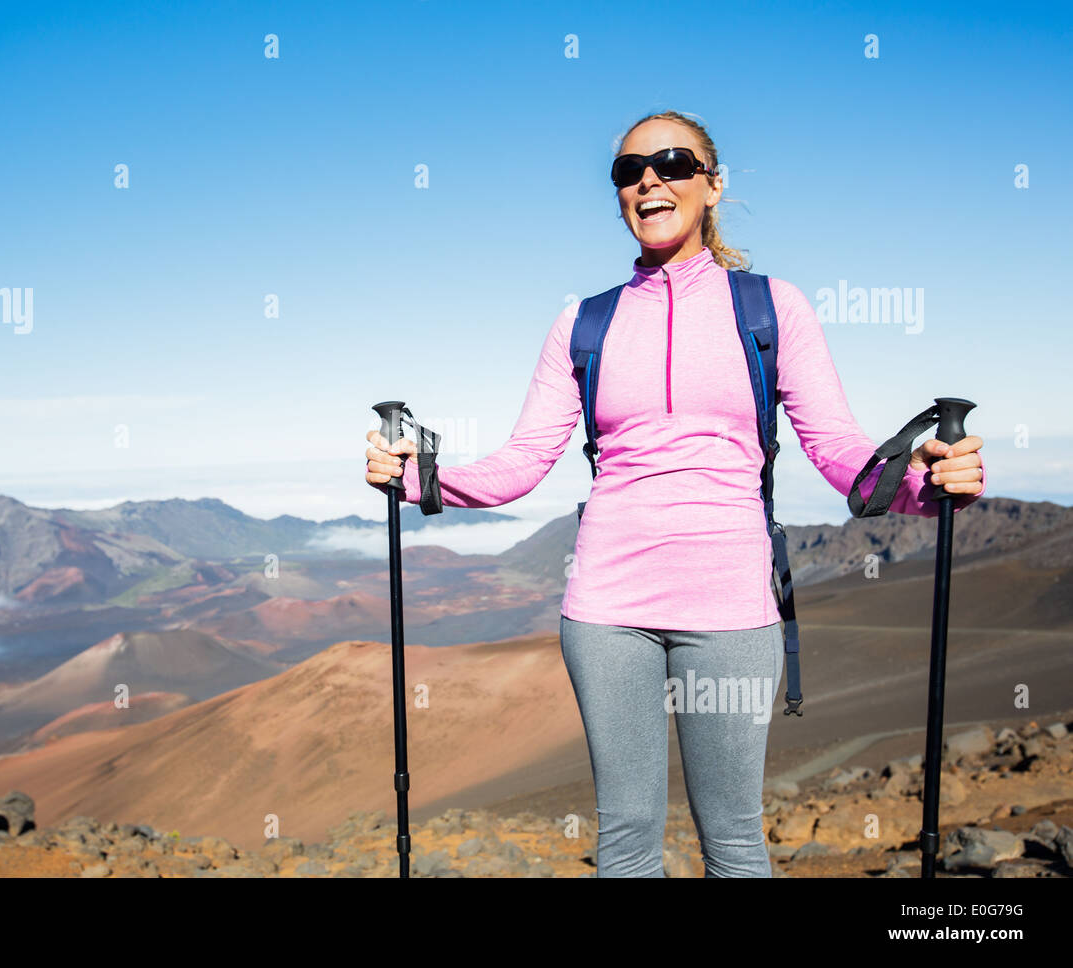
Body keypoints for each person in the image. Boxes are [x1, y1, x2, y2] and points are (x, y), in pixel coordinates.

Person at [363, 110, 986, 877]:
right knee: (626, 843)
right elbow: (523, 462)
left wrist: (929, 487)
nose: (649, 180)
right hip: (605, 609)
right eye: (629, 171)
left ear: (712, 185)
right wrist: (418, 477)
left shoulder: (770, 308)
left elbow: (838, 452)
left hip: (731, 606)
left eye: (672, 164)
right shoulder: (583, 324)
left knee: (733, 842)